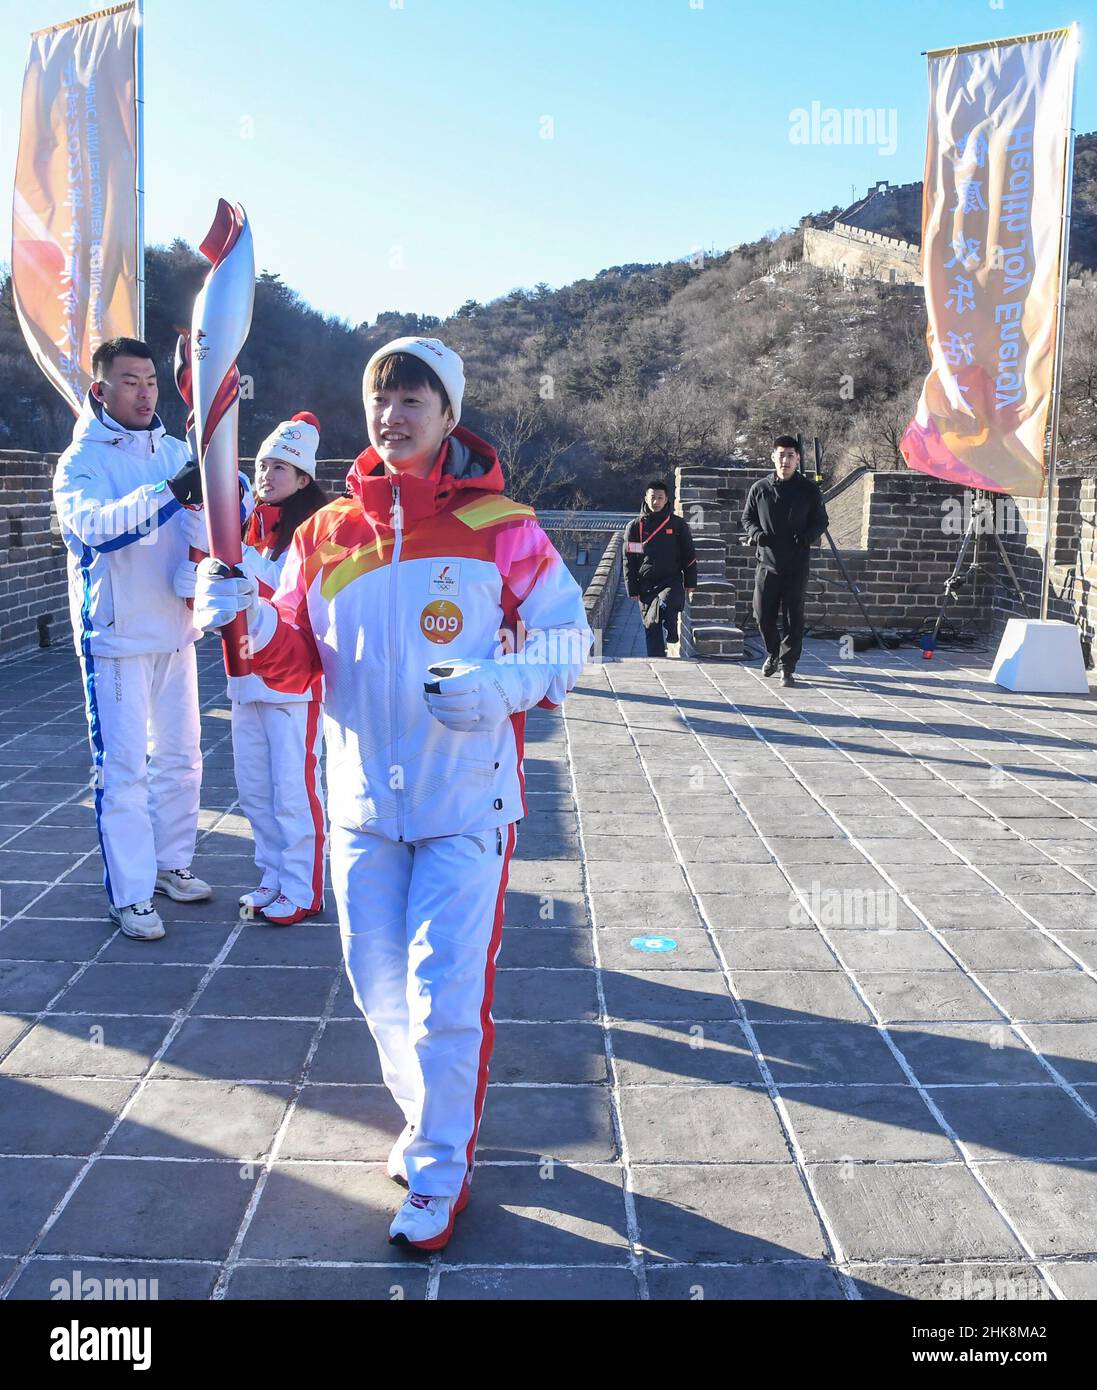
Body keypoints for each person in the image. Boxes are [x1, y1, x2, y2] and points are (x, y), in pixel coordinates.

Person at [192, 337, 592, 1252]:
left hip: (466, 804)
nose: (393, 414)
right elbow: (293, 662)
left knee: (442, 993)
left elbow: (566, 639)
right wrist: (248, 617)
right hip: (364, 805)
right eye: (381, 398)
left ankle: (441, 1168)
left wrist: (502, 683)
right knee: (378, 993)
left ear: (448, 415)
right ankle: (422, 1126)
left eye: (414, 399)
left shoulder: (503, 525)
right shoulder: (326, 531)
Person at [53, 337, 218, 941]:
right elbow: (96, 530)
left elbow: (226, 508)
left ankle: (172, 864)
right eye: (130, 381)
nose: (145, 391)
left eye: (150, 380)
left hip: (177, 632)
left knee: (181, 760)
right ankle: (129, 893)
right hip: (116, 640)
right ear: (101, 390)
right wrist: (173, 491)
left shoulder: (176, 449)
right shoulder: (81, 462)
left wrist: (229, 481)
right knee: (122, 770)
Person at [175, 413, 328, 926]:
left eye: (280, 468)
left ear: (303, 478)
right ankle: (272, 875)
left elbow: (291, 599)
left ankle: (304, 888)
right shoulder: (247, 526)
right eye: (262, 465)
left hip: (293, 685)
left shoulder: (314, 532)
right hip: (244, 677)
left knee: (293, 790)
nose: (267, 475)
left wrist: (238, 569)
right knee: (255, 789)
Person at [741, 435, 829, 688]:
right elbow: (747, 519)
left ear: (798, 459)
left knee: (793, 617)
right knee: (762, 614)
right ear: (773, 457)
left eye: (791, 456)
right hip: (767, 562)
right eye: (781, 455)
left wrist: (806, 538)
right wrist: (757, 535)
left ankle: (788, 666)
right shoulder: (760, 489)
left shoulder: (809, 490)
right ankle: (773, 652)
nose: (785, 460)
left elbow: (821, 521)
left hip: (796, 564)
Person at [625, 479, 697, 656]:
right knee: (650, 624)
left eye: (660, 497)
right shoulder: (635, 527)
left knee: (668, 603)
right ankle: (656, 660)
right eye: (652, 497)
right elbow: (629, 560)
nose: (655, 502)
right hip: (646, 583)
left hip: (670, 578)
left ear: (666, 500)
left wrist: (690, 581)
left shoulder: (677, 525)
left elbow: (689, 554)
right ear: (645, 498)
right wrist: (632, 588)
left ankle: (671, 628)